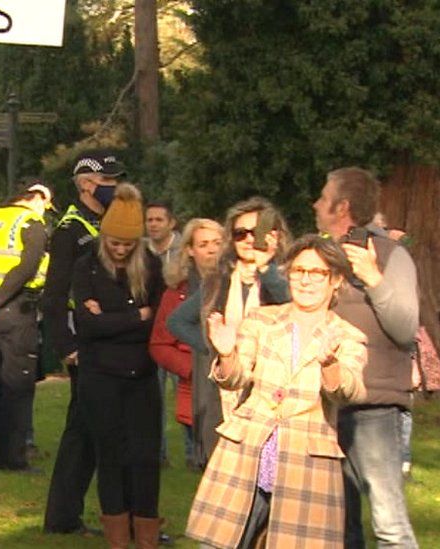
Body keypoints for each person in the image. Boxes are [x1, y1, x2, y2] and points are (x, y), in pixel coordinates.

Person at [187, 234, 368, 548]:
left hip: (305, 466)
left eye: (317, 273)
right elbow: (234, 378)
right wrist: (227, 354)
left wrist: (329, 365)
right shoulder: (261, 319)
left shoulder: (348, 336)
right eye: (298, 271)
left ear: (336, 279)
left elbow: (350, 390)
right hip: (246, 456)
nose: (305, 280)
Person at [313, 167, 420, 548]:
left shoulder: (391, 255)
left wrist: (374, 279)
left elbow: (406, 327)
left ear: (341, 207)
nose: (315, 204)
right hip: (324, 404)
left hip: (373, 405)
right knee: (338, 526)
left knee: (389, 524)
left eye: (323, 198)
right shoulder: (318, 255)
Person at [70, 182, 165, 548]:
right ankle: (117, 536)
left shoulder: (151, 266)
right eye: (115, 243)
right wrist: (134, 315)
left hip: (141, 375)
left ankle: (146, 536)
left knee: (144, 456)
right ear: (105, 238)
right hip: (99, 377)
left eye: (128, 245)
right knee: (109, 455)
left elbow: (155, 319)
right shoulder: (87, 266)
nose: (121, 250)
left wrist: (111, 316)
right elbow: (88, 326)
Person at [167, 197, 291, 469]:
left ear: (276, 235)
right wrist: (216, 350)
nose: (249, 239)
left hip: (277, 394)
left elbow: (291, 308)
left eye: (257, 232)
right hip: (226, 394)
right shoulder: (219, 282)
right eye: (240, 233)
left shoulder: (294, 274)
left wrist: (265, 268)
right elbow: (176, 321)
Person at [43, 149, 125, 535]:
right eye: (109, 181)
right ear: (87, 184)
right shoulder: (70, 229)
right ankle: (63, 515)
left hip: (111, 339)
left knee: (90, 429)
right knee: (84, 429)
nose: (116, 187)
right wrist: (66, 346)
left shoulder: (108, 221)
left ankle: (65, 516)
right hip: (85, 344)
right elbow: (55, 294)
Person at [0, 182, 52, 472]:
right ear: (37, 198)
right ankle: (15, 458)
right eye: (46, 203)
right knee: (18, 384)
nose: (45, 210)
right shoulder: (31, 222)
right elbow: (27, 266)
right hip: (18, 307)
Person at [149, 218, 224, 472]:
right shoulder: (176, 292)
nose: (212, 249)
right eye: (204, 244)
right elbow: (159, 344)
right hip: (195, 390)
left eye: (217, 242)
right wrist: (193, 367)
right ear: (190, 250)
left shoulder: (236, 285)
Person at [144, 200, 182, 468]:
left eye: (159, 219)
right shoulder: (140, 251)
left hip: (182, 334)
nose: (154, 224)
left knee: (189, 396)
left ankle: (196, 455)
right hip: (152, 333)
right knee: (153, 398)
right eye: (150, 220)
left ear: (171, 223)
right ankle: (158, 455)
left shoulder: (184, 250)